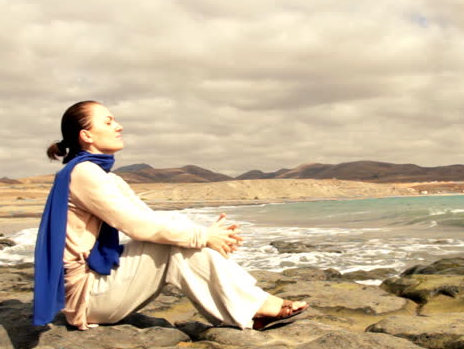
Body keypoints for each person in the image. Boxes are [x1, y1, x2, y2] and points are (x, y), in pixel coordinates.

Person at [33, 100, 307, 331]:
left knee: (179, 232)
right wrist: (203, 237)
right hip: (88, 298)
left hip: (99, 285)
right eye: (108, 122)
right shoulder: (84, 174)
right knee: (178, 243)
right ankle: (256, 308)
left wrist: (207, 235)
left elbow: (150, 219)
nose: (119, 126)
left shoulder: (102, 175)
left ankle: (253, 308)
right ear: (86, 135)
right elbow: (138, 227)